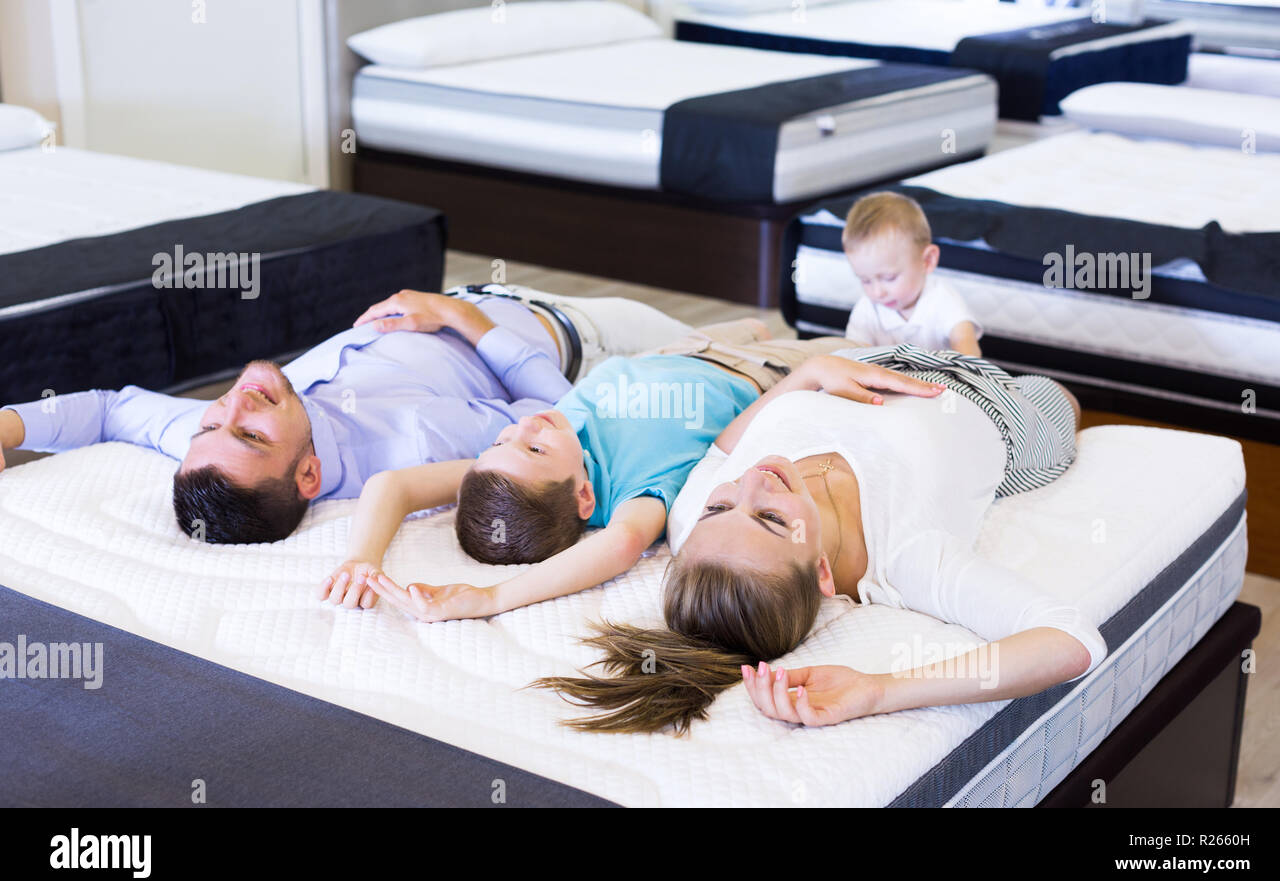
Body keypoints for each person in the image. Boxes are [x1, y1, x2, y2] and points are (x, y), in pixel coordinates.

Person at [534, 343, 1105, 734]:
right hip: (1002, 411)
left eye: (723, 506)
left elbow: (723, 451)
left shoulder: (690, 525)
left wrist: (805, 376)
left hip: (866, 361)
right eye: (773, 520)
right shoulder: (909, 556)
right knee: (1065, 395)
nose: (752, 484)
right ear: (824, 575)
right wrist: (879, 690)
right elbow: (1072, 640)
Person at [320, 325, 945, 616]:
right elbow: (621, 546)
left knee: (766, 318)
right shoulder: (638, 497)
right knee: (889, 348)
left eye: (507, 437)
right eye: (531, 448)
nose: (529, 427)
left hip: (682, 347)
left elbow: (393, 485)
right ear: (585, 495)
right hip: (764, 373)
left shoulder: (520, 457)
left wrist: (361, 559)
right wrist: (489, 598)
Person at [0, 284, 692, 544]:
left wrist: (9, 427)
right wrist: (460, 317)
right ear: (307, 477)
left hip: (471, 298)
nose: (233, 404)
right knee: (727, 352)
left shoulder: (215, 450)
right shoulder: (415, 447)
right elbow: (553, 415)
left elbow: (111, 410)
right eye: (250, 430)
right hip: (569, 329)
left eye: (214, 422)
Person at [842, 192, 982, 356]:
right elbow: (855, 356)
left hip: (942, 379)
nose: (877, 292)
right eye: (865, 280)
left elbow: (965, 344)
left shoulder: (942, 299)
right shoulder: (867, 309)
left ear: (927, 261)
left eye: (889, 278)